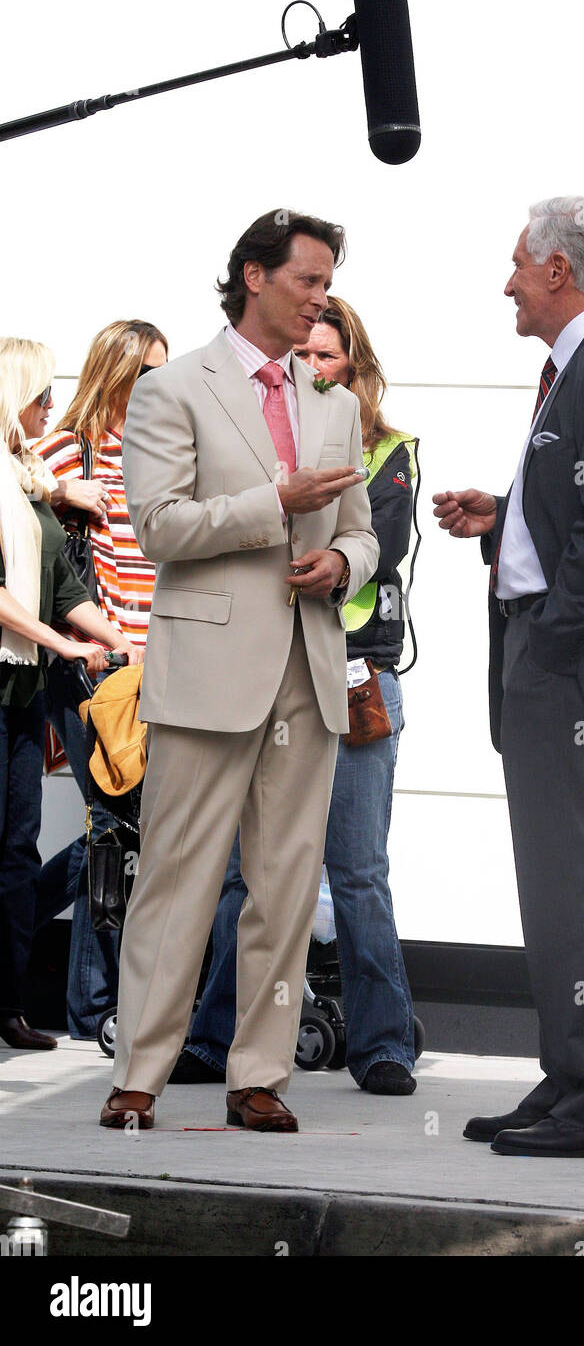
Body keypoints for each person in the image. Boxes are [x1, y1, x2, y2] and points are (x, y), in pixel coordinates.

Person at [99, 209, 378, 1133]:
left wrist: (344, 563)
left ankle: (260, 1076)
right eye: (307, 280)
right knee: (176, 879)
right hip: (210, 670)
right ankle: (137, 1076)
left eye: (328, 282)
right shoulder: (173, 389)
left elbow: (364, 534)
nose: (320, 299)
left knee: (288, 887)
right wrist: (274, 504)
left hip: (310, 671)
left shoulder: (336, 404)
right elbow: (161, 526)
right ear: (254, 276)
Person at [433, 197, 584, 1158]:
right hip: (558, 661)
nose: (506, 283)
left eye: (516, 264)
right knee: (561, 882)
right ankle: (573, 1077)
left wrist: (550, 642)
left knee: (573, 884)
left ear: (557, 271)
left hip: (568, 671)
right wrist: (505, 518)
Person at [172, 296, 418, 1096]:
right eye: (302, 356)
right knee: (247, 872)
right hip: (267, 670)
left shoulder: (385, 449)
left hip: (353, 674)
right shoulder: (253, 428)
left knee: (356, 870)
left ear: (354, 364)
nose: (312, 368)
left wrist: (330, 566)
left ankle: (384, 1044)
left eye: (328, 357)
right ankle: (215, 1040)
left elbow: (368, 549)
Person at [0, 338, 142, 1051]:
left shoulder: (33, 479)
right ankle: (65, 1003)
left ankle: (29, 1002)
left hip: (59, 674)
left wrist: (125, 639)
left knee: (44, 844)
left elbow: (62, 581)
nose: (49, 408)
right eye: (38, 397)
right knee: (93, 826)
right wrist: (68, 644)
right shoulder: (38, 466)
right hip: (41, 669)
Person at [32, 321, 163, 1039]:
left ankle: (16, 911)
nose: (155, 387)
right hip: (90, 663)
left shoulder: (157, 453)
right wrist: (57, 491)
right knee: (113, 823)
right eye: (145, 373)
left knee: (129, 825)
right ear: (114, 373)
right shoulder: (70, 443)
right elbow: (20, 505)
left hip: (149, 662)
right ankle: (94, 1007)